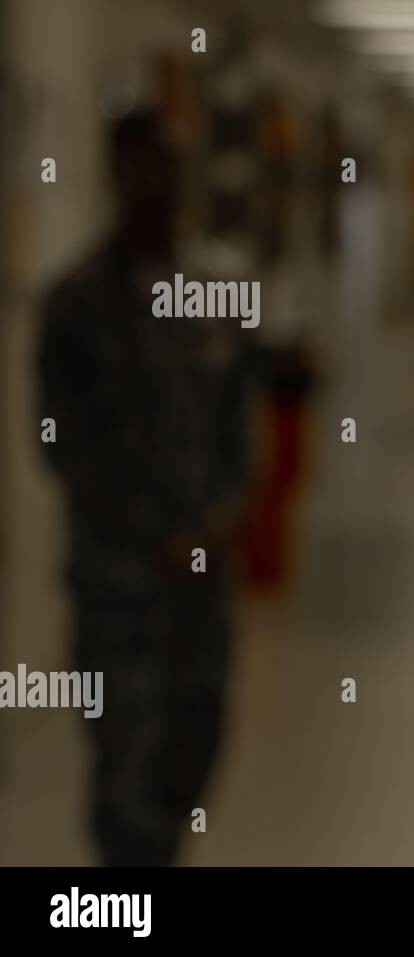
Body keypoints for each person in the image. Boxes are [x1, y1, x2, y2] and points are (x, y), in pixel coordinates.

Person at [36, 109, 253, 865]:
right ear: (112, 174)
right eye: (136, 166)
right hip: (119, 585)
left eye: (165, 164)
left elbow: (237, 428)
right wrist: (152, 531)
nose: (152, 183)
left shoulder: (215, 294)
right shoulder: (76, 304)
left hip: (202, 581)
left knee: (195, 746)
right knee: (125, 779)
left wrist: (220, 518)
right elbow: (60, 443)